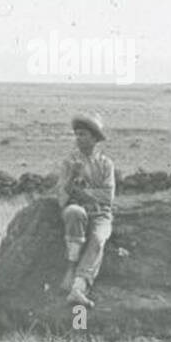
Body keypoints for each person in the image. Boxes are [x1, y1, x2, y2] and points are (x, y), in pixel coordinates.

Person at [56, 112, 115, 308]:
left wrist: (84, 192)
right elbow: (62, 195)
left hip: (100, 213)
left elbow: (107, 197)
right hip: (77, 208)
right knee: (75, 213)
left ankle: (78, 288)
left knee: (98, 238)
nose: (78, 139)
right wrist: (72, 177)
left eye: (83, 134)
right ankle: (71, 266)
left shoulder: (106, 164)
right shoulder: (69, 163)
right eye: (77, 134)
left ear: (95, 138)